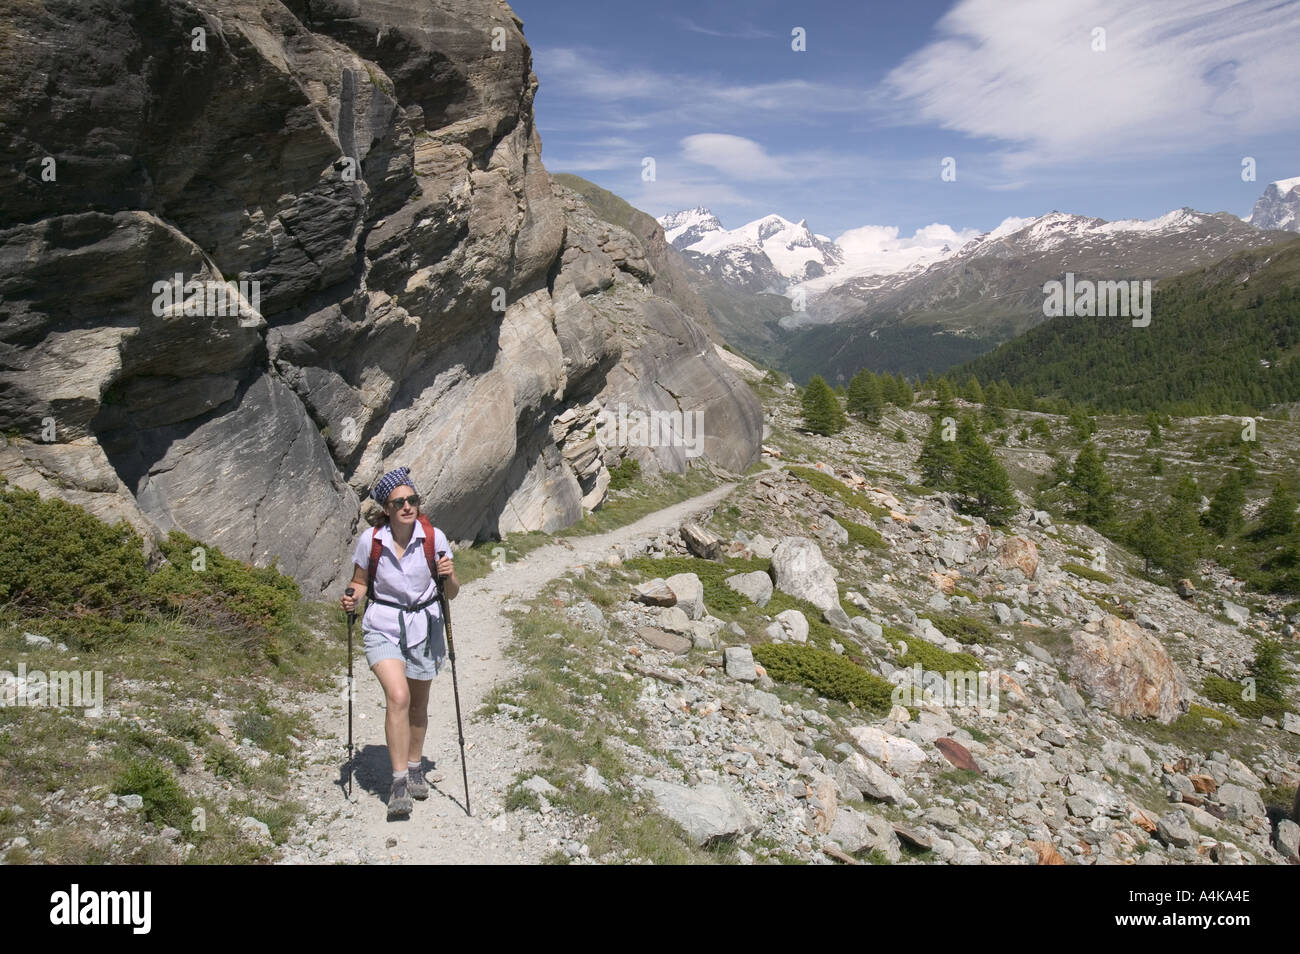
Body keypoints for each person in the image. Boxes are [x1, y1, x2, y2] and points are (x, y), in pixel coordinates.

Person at [340, 467, 459, 818]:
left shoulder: (434, 538)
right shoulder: (371, 541)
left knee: (419, 705)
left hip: (425, 625)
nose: (408, 506)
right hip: (384, 625)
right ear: (386, 509)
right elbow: (360, 581)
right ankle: (398, 782)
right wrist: (353, 598)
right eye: (399, 502)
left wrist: (449, 575)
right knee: (399, 696)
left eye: (412, 500)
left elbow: (452, 592)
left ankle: (415, 764)